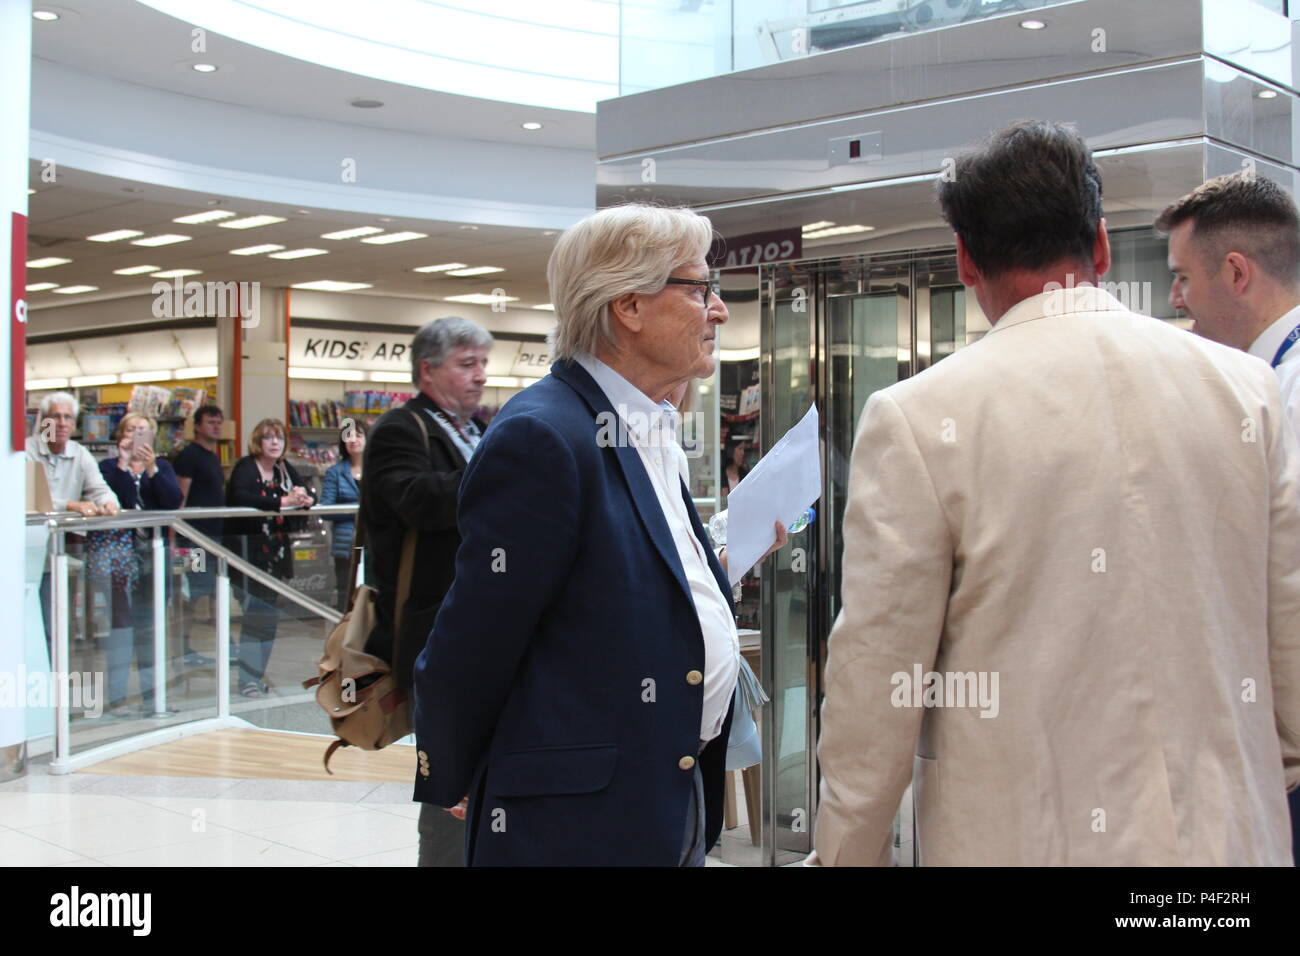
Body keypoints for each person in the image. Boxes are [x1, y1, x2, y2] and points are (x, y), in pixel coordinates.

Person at [812, 121, 1300, 866]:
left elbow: (878, 678)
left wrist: (848, 851)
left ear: (965, 260)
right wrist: (1275, 770)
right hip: (1223, 849)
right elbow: (1287, 622)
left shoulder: (919, 417)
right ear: (1101, 246)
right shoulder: (1248, 390)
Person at [412, 203, 782, 866]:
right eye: (699, 289)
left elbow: (618, 585)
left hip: (666, 787)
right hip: (579, 819)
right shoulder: (545, 435)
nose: (719, 310)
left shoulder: (648, 424)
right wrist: (452, 767)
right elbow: (474, 636)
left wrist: (719, 568)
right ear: (628, 306)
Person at [1157, 171, 1300, 864]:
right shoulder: (1270, 380)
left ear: (1237, 273)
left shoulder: (1285, 393)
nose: (1176, 299)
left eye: (1183, 277)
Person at [358, 316, 492, 868]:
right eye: (467, 364)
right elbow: (417, 500)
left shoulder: (476, 429)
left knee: (481, 771)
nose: (480, 375)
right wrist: (500, 473)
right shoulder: (400, 429)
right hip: (432, 630)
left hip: (480, 624)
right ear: (427, 370)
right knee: (449, 778)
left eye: (483, 363)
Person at [94, 414, 182, 716]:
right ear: (120, 434)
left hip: (154, 555)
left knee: (151, 626)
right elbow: (114, 498)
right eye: (130, 430)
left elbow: (172, 501)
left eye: (142, 431)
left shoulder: (163, 467)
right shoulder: (108, 467)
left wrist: (152, 469)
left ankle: (152, 697)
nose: (135, 435)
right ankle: (117, 698)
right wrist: (123, 464)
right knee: (121, 626)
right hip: (118, 558)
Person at [224, 418, 315, 698]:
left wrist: (304, 498)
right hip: (246, 555)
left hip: (275, 555)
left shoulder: (284, 469)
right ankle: (248, 679)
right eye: (268, 438)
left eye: (279, 438)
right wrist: (281, 502)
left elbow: (307, 493)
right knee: (256, 616)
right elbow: (240, 497)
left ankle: (254, 675)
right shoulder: (245, 467)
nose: (275, 443)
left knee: (268, 618)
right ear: (257, 441)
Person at [27, 391, 120, 646]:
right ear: (43, 420)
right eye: (55, 416)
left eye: (68, 417)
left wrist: (109, 502)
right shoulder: (26, 451)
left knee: (54, 619)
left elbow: (99, 488)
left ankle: (52, 664)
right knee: (31, 617)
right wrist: (70, 505)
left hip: (59, 552)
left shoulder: (80, 453)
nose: (62, 423)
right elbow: (30, 497)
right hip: (27, 550)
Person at [173, 404, 227, 668]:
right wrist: (176, 538)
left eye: (218, 422)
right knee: (193, 594)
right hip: (193, 538)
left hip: (213, 537)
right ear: (197, 426)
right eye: (210, 422)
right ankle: (182, 648)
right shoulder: (189, 456)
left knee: (212, 591)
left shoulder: (213, 456)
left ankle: (220, 645)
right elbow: (179, 498)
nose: (216, 427)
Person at [320, 419, 368, 612]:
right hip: (346, 543)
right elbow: (326, 509)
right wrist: (357, 511)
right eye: (348, 435)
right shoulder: (335, 472)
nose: (353, 439)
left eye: (358, 435)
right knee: (345, 594)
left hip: (374, 542)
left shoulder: (377, 470)